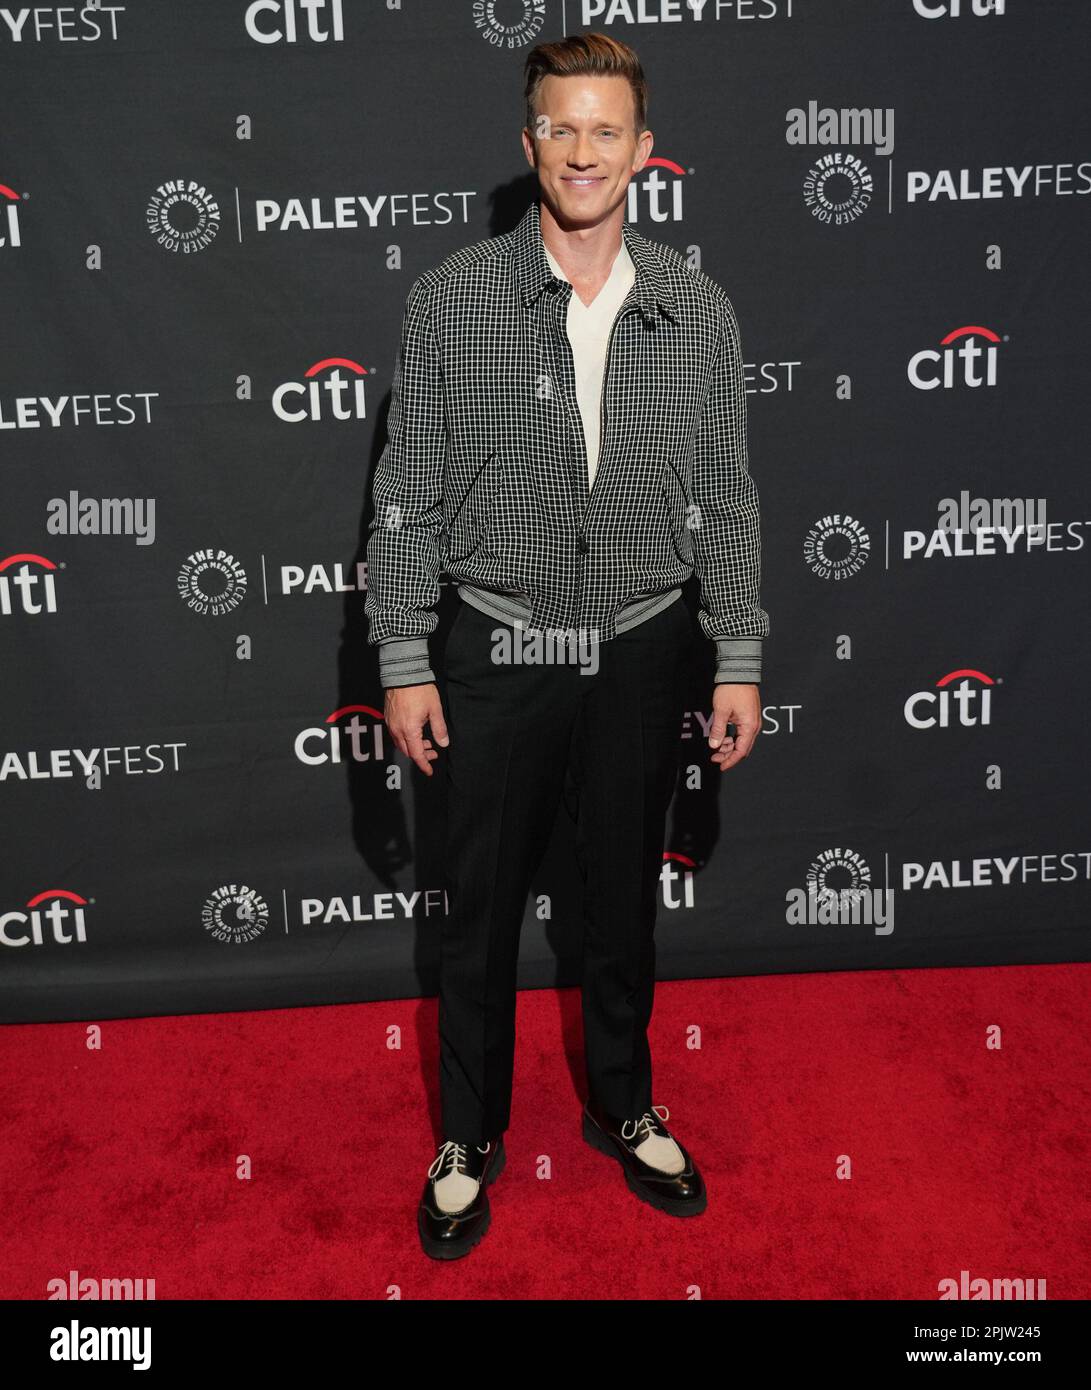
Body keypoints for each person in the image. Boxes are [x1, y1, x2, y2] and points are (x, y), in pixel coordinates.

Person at [365, 31, 768, 1260]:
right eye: (560, 126)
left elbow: (729, 492)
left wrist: (737, 653)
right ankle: (467, 1139)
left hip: (646, 649)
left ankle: (622, 1100)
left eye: (606, 130)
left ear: (644, 153)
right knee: (476, 909)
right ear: (526, 141)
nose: (582, 150)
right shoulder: (449, 299)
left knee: (618, 909)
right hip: (491, 647)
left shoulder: (697, 309)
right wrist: (401, 656)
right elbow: (405, 497)